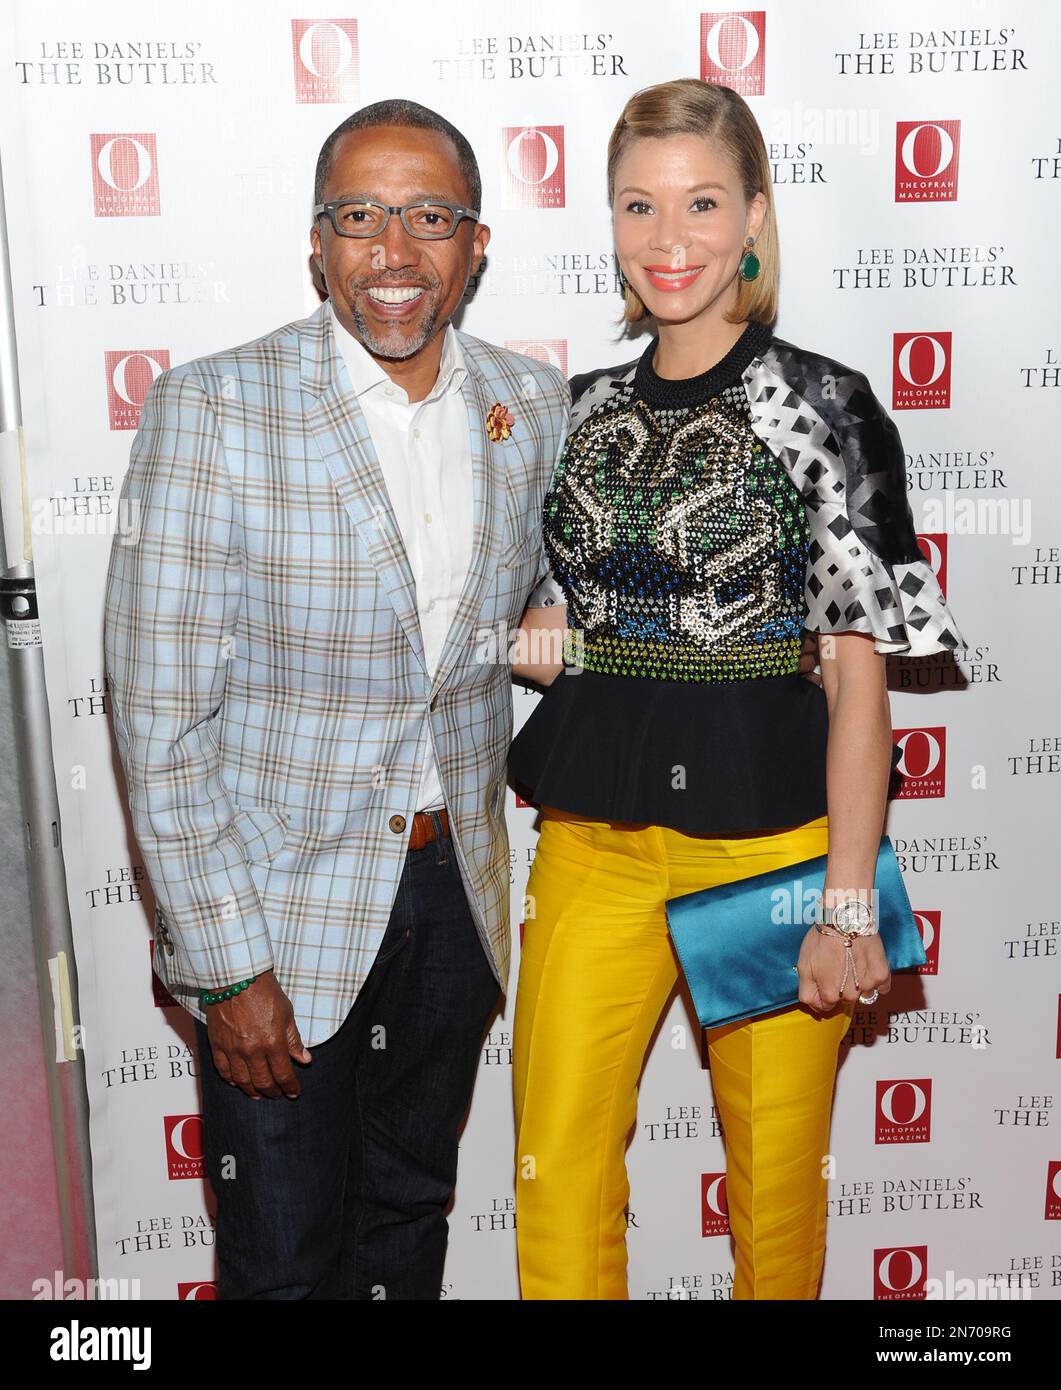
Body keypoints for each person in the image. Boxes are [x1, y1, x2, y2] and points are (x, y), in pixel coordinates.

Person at [102, 98, 570, 1300]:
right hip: (274, 922)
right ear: (317, 242)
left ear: (474, 243)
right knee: (283, 1257)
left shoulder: (531, 407)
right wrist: (221, 966)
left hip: (450, 900)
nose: (393, 253)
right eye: (359, 217)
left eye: (428, 217)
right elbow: (159, 721)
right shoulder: (214, 409)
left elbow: (530, 594)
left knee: (407, 1221)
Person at [507, 78, 964, 1300]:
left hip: (770, 858)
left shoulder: (822, 404)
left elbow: (858, 679)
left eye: (702, 203)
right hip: (588, 848)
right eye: (638, 206)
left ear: (754, 214)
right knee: (554, 1183)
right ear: (607, 220)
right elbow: (532, 606)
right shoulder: (574, 410)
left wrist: (847, 901)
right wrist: (538, 619)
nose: (669, 241)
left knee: (771, 1198)